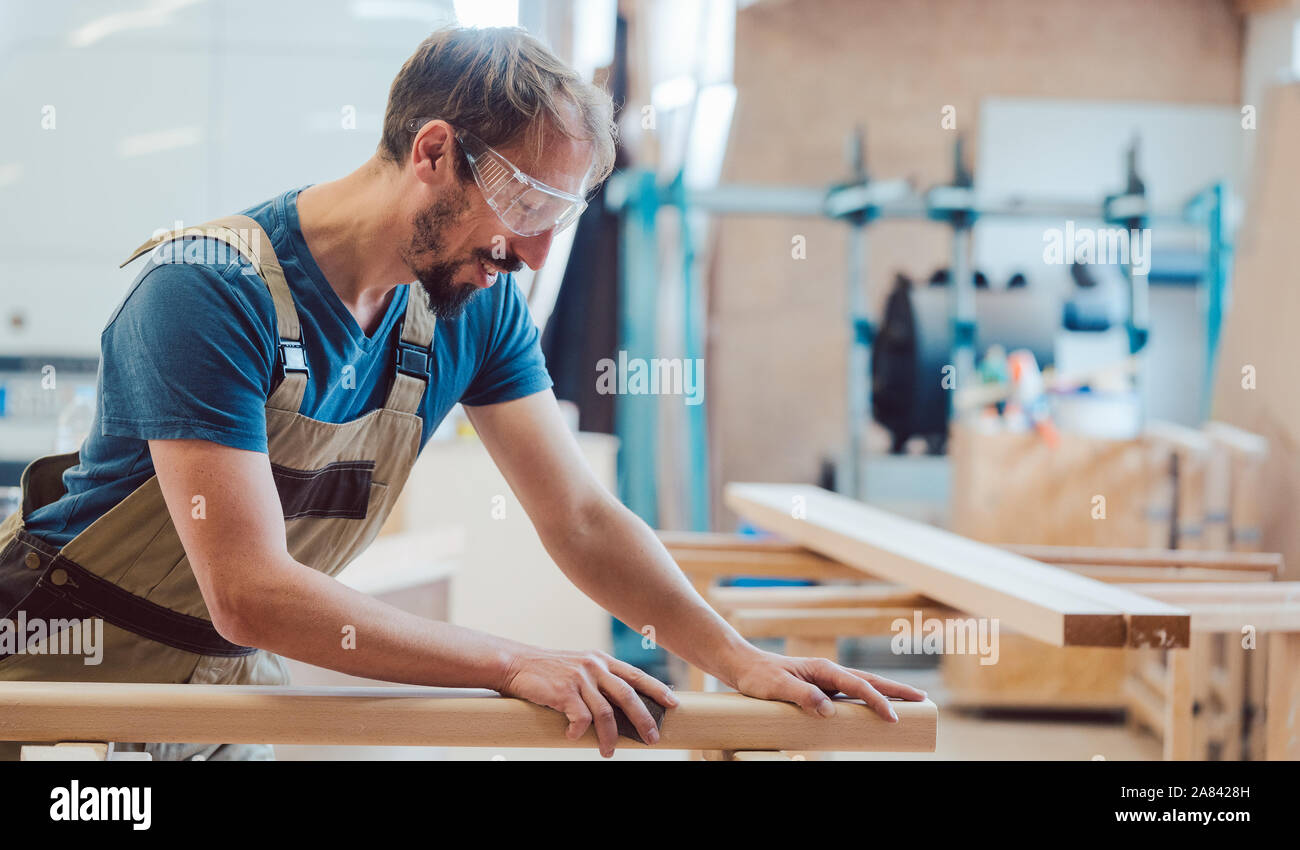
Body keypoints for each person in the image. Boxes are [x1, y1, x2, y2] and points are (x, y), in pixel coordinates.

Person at [0, 25, 923, 760]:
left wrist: (735, 659)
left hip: (218, 697)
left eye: (558, 221)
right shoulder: (207, 290)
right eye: (525, 207)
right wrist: (513, 661)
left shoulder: (471, 311)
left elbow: (582, 520)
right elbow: (249, 591)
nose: (532, 254)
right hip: (60, 680)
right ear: (433, 152)